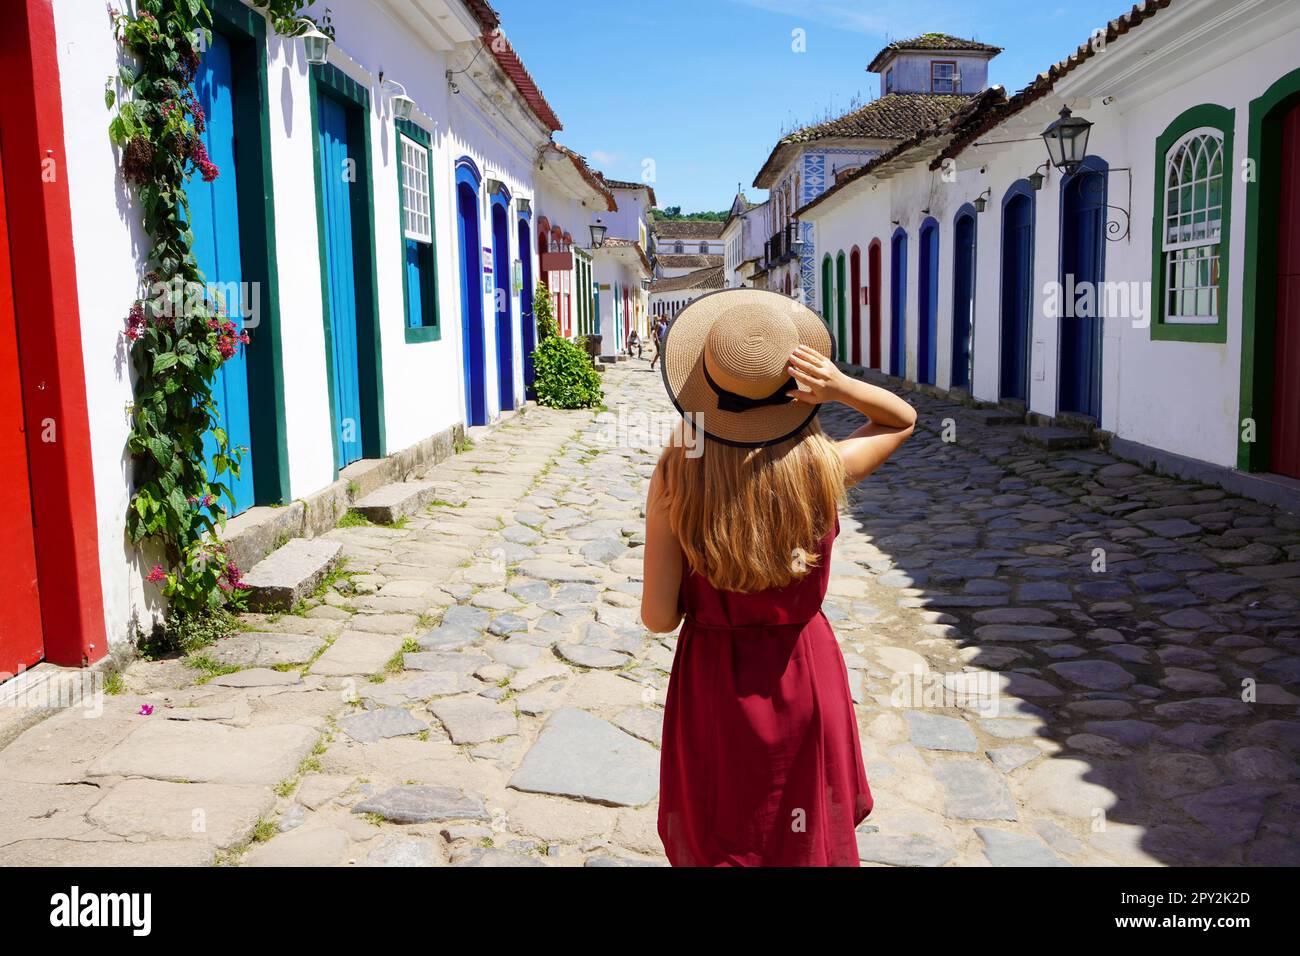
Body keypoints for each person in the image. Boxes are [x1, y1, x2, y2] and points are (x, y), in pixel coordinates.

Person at [642, 288, 916, 867]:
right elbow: (901, 420)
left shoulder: (674, 476)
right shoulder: (822, 469)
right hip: (802, 668)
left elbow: (658, 618)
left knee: (724, 831)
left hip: (713, 681)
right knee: (800, 833)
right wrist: (838, 385)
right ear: (794, 391)